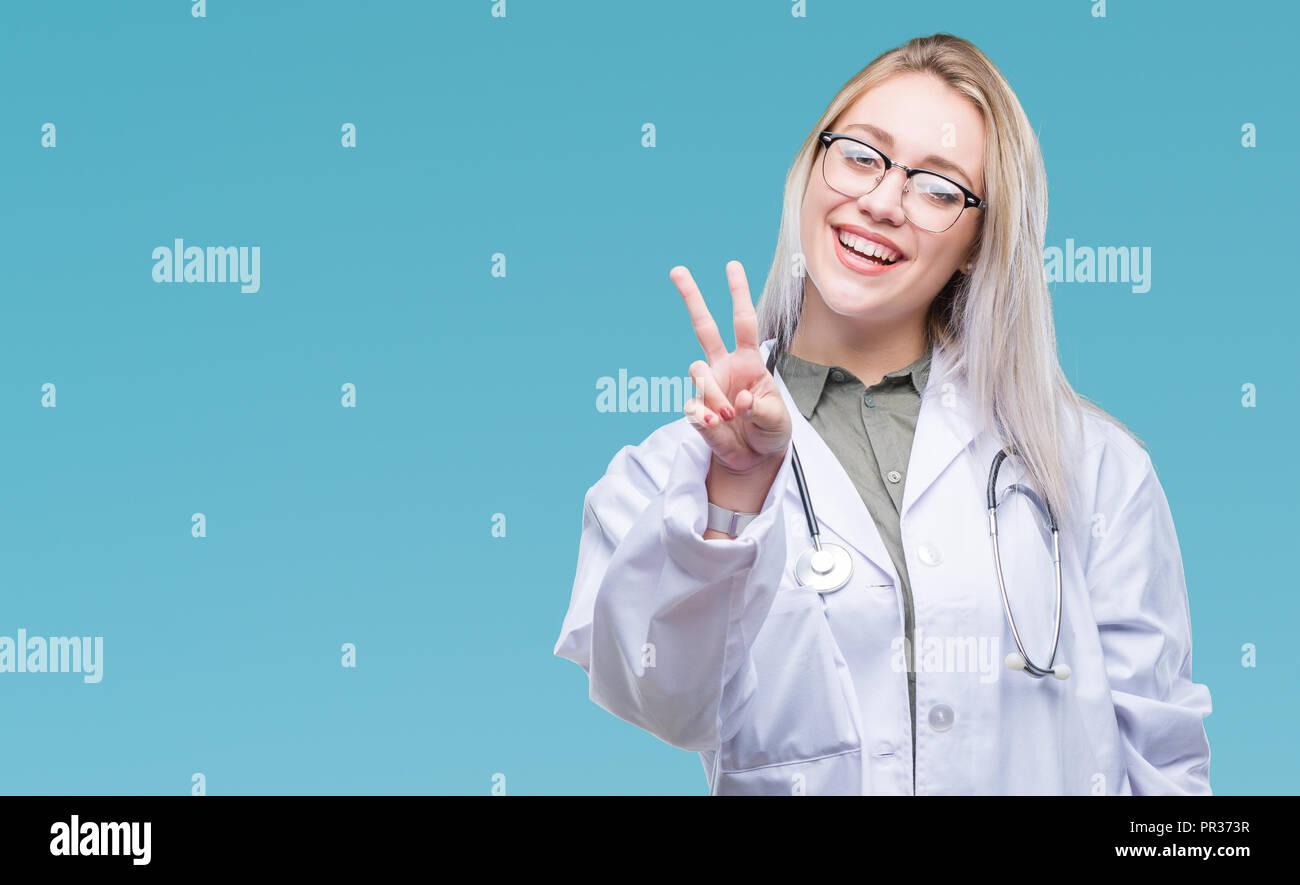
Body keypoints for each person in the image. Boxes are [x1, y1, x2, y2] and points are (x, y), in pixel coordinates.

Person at [553, 33, 1212, 795]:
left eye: (938, 187)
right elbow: (664, 701)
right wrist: (732, 492)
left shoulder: (1091, 465)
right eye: (862, 154)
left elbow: (1168, 771)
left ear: (977, 240)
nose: (882, 201)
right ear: (811, 168)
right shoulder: (670, 472)